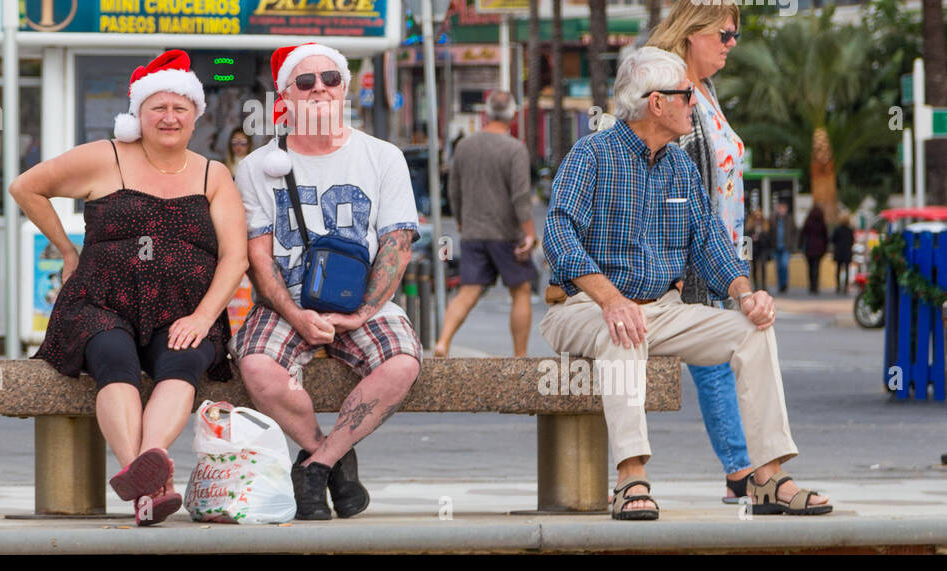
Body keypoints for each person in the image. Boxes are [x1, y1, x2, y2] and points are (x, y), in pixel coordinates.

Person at [540, 47, 832, 519]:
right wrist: (612, 300)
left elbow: (711, 243)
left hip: (665, 309)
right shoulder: (590, 154)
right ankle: (630, 478)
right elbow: (558, 233)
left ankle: (767, 477)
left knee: (752, 331)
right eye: (687, 96)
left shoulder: (680, 166)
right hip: (581, 308)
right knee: (625, 327)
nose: (694, 104)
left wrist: (745, 294)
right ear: (657, 103)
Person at [10, 49, 248, 525]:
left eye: (180, 108)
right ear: (137, 113)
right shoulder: (105, 157)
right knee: (114, 362)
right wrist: (66, 250)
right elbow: (26, 187)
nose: (169, 116)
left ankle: (145, 472)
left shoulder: (212, 175)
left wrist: (203, 317)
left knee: (180, 362)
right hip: (101, 302)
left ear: (195, 117)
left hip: (184, 310)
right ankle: (152, 481)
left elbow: (235, 257)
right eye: (157, 107)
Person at [232, 42, 422, 520]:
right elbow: (258, 254)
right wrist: (295, 314)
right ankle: (333, 457)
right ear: (286, 96)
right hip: (285, 303)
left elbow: (397, 243)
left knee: (401, 364)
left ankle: (315, 467)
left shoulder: (383, 156)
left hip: (362, 303)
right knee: (255, 365)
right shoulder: (256, 168)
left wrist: (360, 313)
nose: (319, 88)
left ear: (345, 89)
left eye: (331, 79)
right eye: (305, 81)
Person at [647, 0, 752, 504]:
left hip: (723, 251)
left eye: (735, 35)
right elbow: (666, 181)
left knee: (725, 357)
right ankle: (740, 471)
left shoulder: (704, 87)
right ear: (693, 33)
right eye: (723, 34)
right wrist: (683, 261)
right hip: (695, 258)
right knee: (714, 360)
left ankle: (742, 468)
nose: (731, 44)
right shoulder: (671, 86)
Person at [434, 90, 537, 358]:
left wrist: (460, 221)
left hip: (472, 232)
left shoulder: (464, 146)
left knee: (467, 291)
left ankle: (443, 341)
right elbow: (521, 197)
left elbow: (453, 190)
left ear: (486, 113)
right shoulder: (515, 149)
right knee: (521, 290)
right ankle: (520, 355)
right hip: (506, 233)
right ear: (513, 115)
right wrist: (529, 234)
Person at [770, 199, 797, 293]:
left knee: (784, 265)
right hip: (776, 247)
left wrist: (793, 245)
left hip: (786, 247)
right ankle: (780, 284)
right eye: (780, 208)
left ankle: (784, 284)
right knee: (778, 267)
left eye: (783, 208)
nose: (781, 210)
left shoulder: (790, 219)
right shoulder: (773, 219)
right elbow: (770, 233)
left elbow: (794, 232)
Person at [802, 205, 828, 295]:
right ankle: (815, 286)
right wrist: (825, 247)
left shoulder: (808, 222)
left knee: (810, 268)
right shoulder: (822, 223)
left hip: (809, 248)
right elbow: (826, 237)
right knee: (816, 268)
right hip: (819, 248)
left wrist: (800, 246)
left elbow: (803, 234)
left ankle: (811, 286)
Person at [831, 211, 855, 294]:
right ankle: (845, 287)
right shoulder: (850, 230)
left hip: (839, 251)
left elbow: (833, 239)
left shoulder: (837, 229)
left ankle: (838, 286)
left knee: (838, 269)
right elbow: (852, 240)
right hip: (847, 251)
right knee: (847, 270)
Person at [748, 209, 771, 292]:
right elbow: (747, 237)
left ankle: (764, 284)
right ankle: (756, 285)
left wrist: (759, 238)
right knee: (754, 267)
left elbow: (768, 238)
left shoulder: (765, 227)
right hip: (754, 250)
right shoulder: (750, 227)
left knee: (763, 266)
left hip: (763, 249)